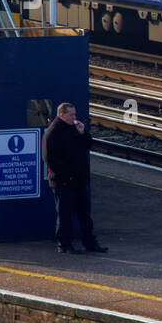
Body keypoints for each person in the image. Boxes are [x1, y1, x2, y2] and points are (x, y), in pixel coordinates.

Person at [43, 102, 107, 255]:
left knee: (84, 214)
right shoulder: (53, 132)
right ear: (61, 115)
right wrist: (67, 176)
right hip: (63, 182)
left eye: (75, 114)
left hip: (79, 180)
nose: (74, 117)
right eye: (71, 115)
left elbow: (88, 145)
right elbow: (49, 159)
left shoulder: (74, 128)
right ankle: (64, 244)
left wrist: (83, 133)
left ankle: (90, 243)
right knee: (65, 214)